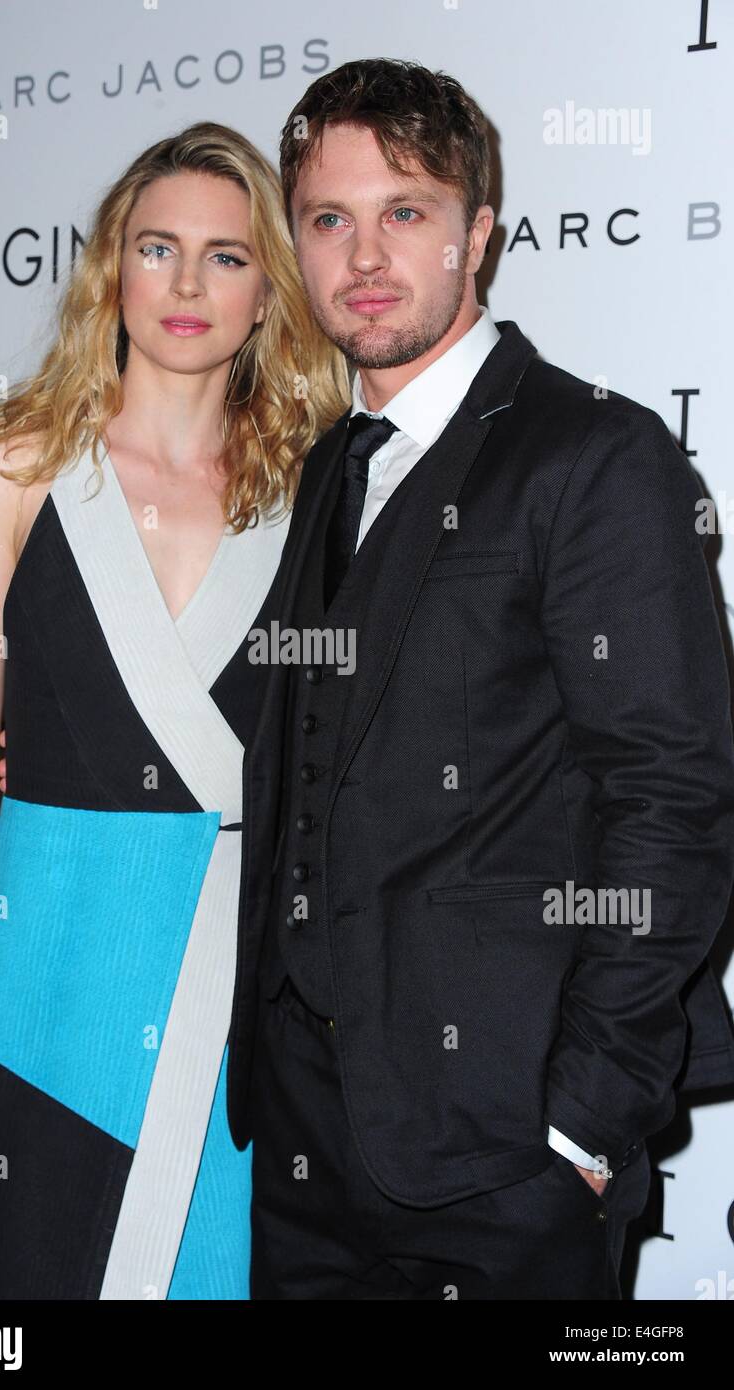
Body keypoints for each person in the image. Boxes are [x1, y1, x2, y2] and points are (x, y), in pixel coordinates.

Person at [221, 59, 734, 1299]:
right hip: (302, 1145)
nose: (364, 255)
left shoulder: (591, 455)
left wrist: (583, 1116)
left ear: (479, 235)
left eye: (405, 212)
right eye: (328, 219)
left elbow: (670, 797)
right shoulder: (325, 472)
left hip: (506, 1153)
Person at [0, 121, 348, 1300]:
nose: (187, 284)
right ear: (113, 270)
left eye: (226, 256)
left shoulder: (317, 487)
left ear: (266, 293)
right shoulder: (19, 465)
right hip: (42, 957)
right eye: (157, 247)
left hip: (228, 980)